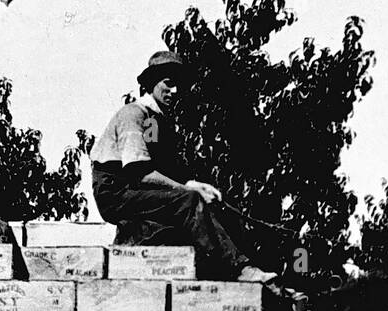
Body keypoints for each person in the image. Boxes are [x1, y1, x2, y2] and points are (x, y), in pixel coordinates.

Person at [90, 51, 277, 283]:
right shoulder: (133, 114)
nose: (175, 91)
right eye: (168, 83)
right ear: (151, 83)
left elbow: (168, 170)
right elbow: (140, 172)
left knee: (211, 202)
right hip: (116, 193)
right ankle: (240, 269)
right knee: (188, 201)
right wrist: (187, 190)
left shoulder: (157, 120)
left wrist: (198, 185)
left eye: (179, 85)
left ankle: (242, 269)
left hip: (136, 190)